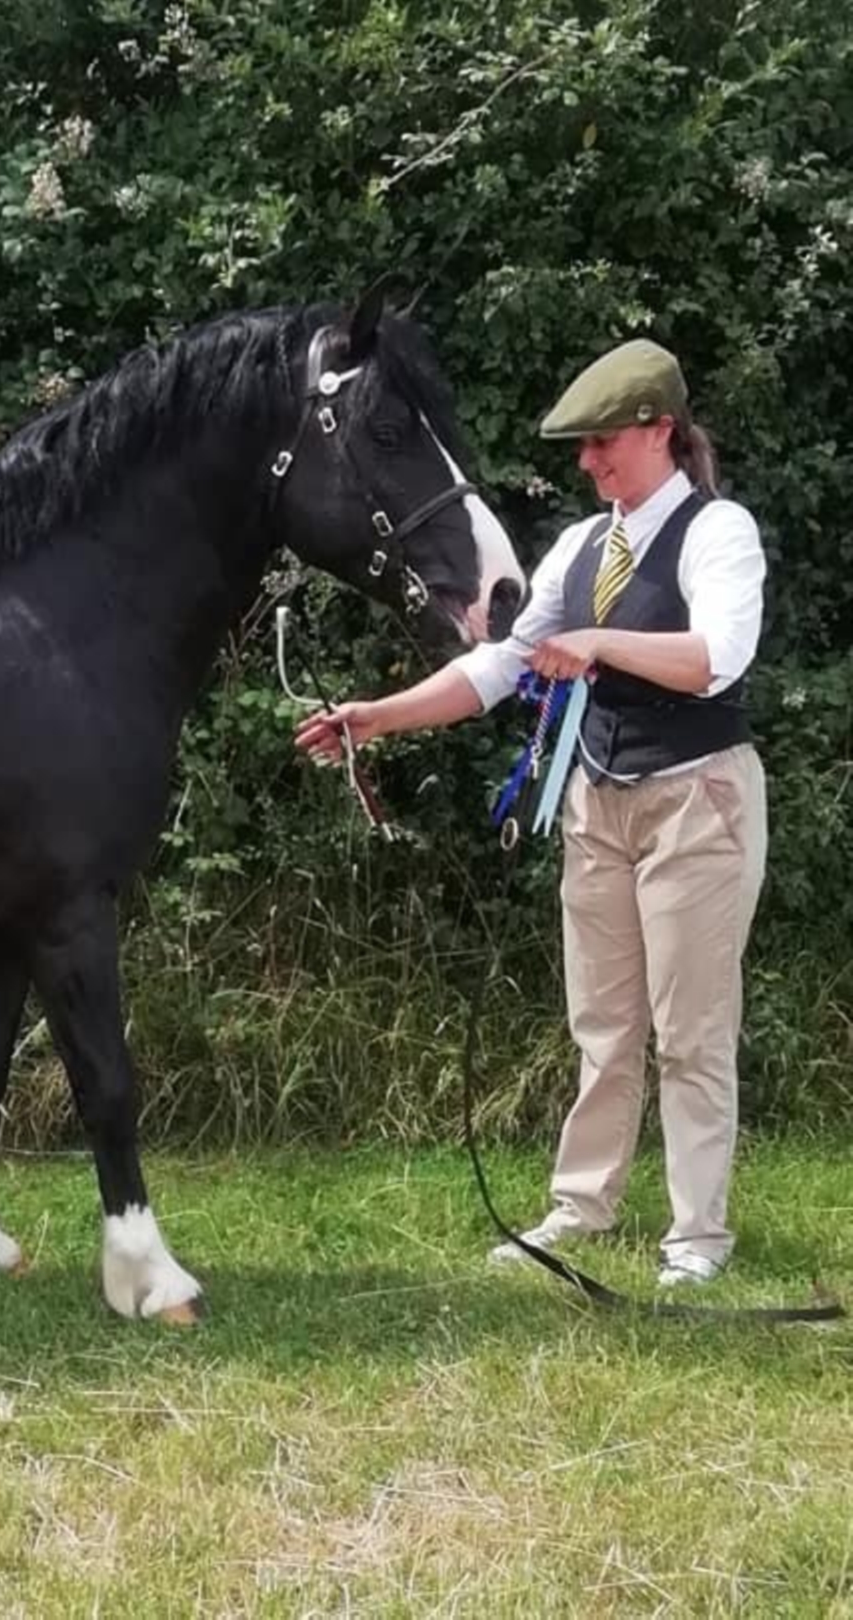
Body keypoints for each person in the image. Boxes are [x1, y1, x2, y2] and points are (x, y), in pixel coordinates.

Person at [293, 339, 767, 1288]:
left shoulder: (721, 533)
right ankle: (581, 1207)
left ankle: (696, 1238)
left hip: (698, 800)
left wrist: (595, 641)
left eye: (602, 444)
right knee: (603, 1022)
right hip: (598, 799)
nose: (588, 463)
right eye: (582, 448)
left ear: (659, 431)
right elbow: (500, 666)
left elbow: (718, 657)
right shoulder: (583, 546)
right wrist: (377, 718)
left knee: (691, 1032)